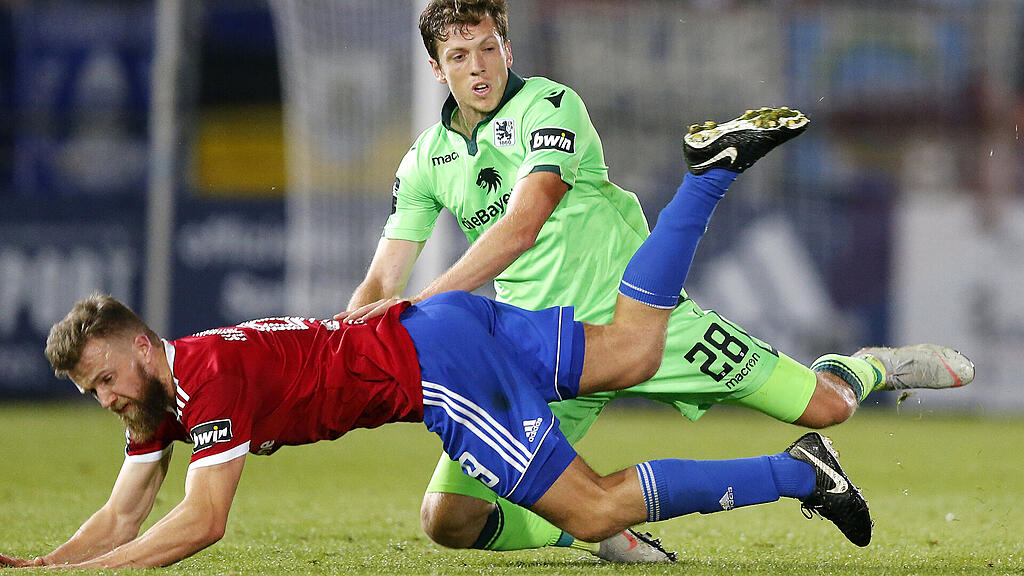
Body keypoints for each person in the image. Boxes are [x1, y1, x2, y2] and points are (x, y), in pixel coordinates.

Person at [1, 118, 895, 569]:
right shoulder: (163, 397)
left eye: (106, 379)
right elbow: (124, 516)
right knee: (631, 349)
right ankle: (707, 175)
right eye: (92, 393)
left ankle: (799, 474)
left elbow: (202, 521)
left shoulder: (205, 376)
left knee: (590, 512)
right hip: (449, 329)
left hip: (441, 370)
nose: (106, 400)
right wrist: (46, 566)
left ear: (142, 345)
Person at [342, 0, 975, 562]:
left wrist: (423, 309)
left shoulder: (550, 107)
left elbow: (522, 226)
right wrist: (338, 350)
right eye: (459, 56)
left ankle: (867, 367)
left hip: (641, 321)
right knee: (449, 520)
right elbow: (379, 281)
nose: (478, 67)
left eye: (488, 48)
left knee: (827, 407)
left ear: (507, 47)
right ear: (437, 69)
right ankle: (589, 530)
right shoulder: (425, 161)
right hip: (542, 349)